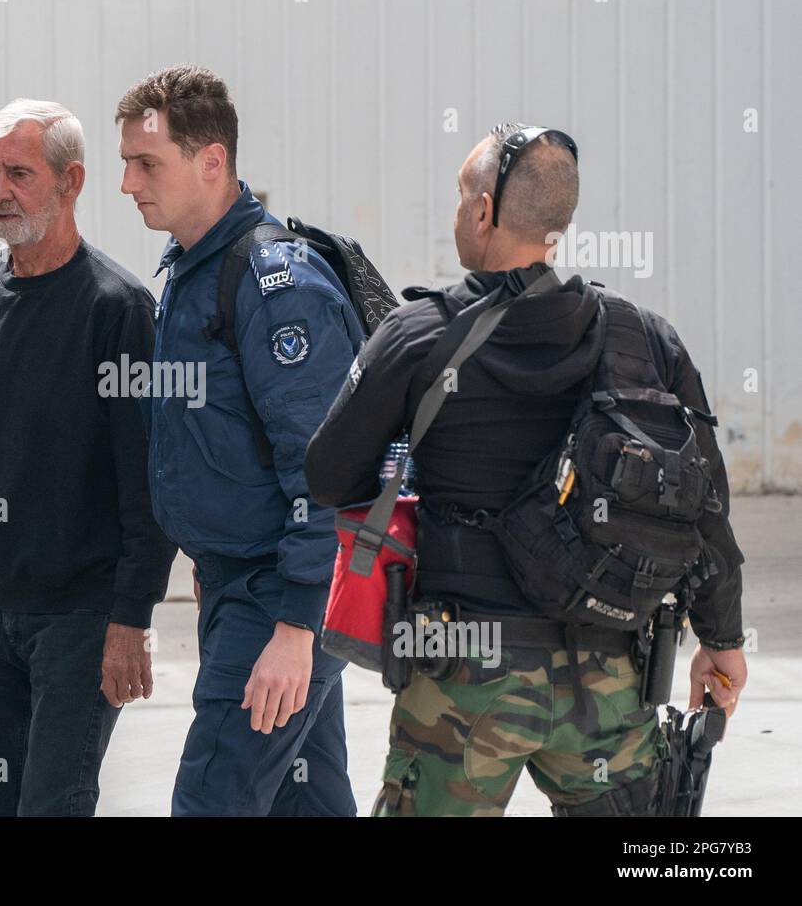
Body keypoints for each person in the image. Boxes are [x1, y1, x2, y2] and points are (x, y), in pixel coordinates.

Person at [306, 123, 748, 816]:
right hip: (608, 683)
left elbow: (328, 477)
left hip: (462, 673)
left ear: (483, 212)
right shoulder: (645, 340)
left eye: (460, 197)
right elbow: (706, 507)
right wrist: (722, 641)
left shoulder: (421, 335)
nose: (457, 211)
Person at [0, 98, 176, 816]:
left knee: (51, 805)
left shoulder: (118, 311)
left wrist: (131, 618)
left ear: (71, 180)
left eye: (19, 174)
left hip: (80, 624)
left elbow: (147, 486)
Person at [116, 65, 360, 816]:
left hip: (278, 599)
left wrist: (294, 626)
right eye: (127, 162)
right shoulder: (195, 270)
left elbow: (322, 470)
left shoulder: (273, 283)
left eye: (146, 162)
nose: (128, 183)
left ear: (211, 161)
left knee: (212, 799)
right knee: (309, 806)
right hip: (239, 581)